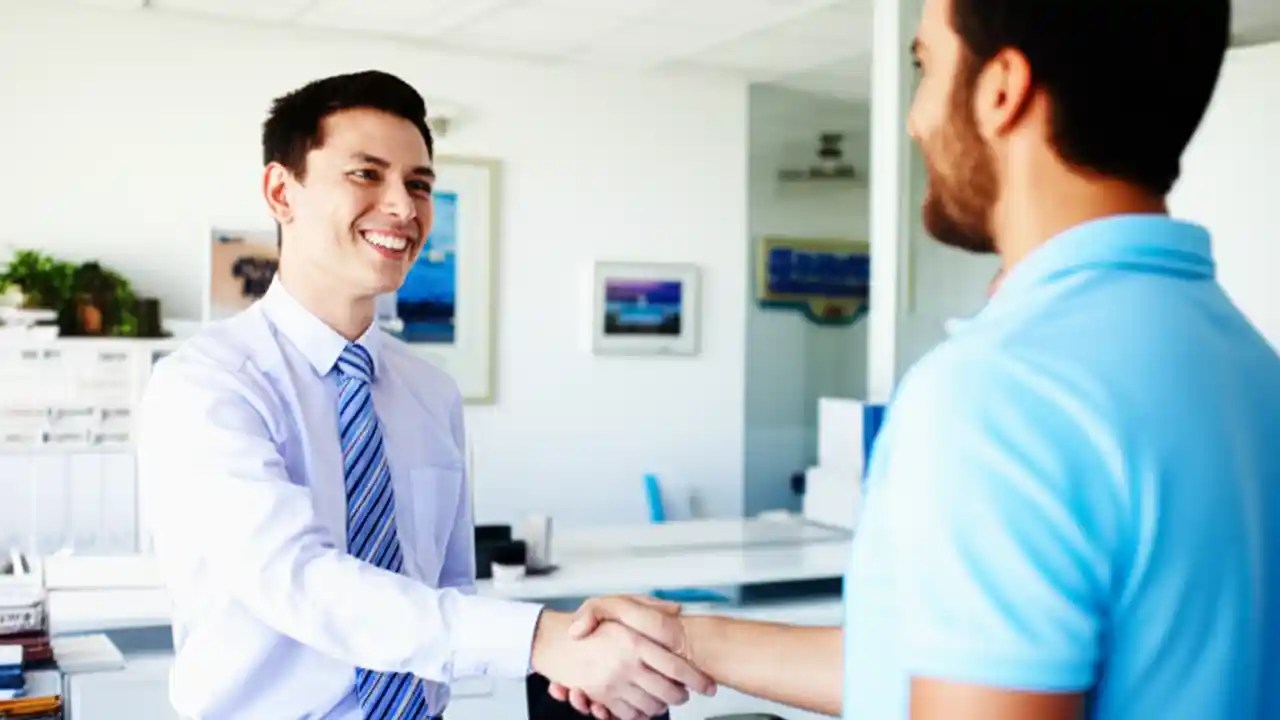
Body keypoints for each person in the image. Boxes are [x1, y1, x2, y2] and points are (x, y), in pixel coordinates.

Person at [552, 0, 1280, 718]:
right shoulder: (1247, 365)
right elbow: (950, 668)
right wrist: (685, 638)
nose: (913, 118)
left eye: (925, 68)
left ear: (1001, 91)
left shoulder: (1000, 392)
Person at [135, 70, 712, 720]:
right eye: (366, 174)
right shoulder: (205, 384)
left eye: (419, 184)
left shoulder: (430, 393)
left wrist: (565, 662)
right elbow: (296, 580)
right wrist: (540, 639)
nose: (404, 208)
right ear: (281, 190)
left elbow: (449, 588)